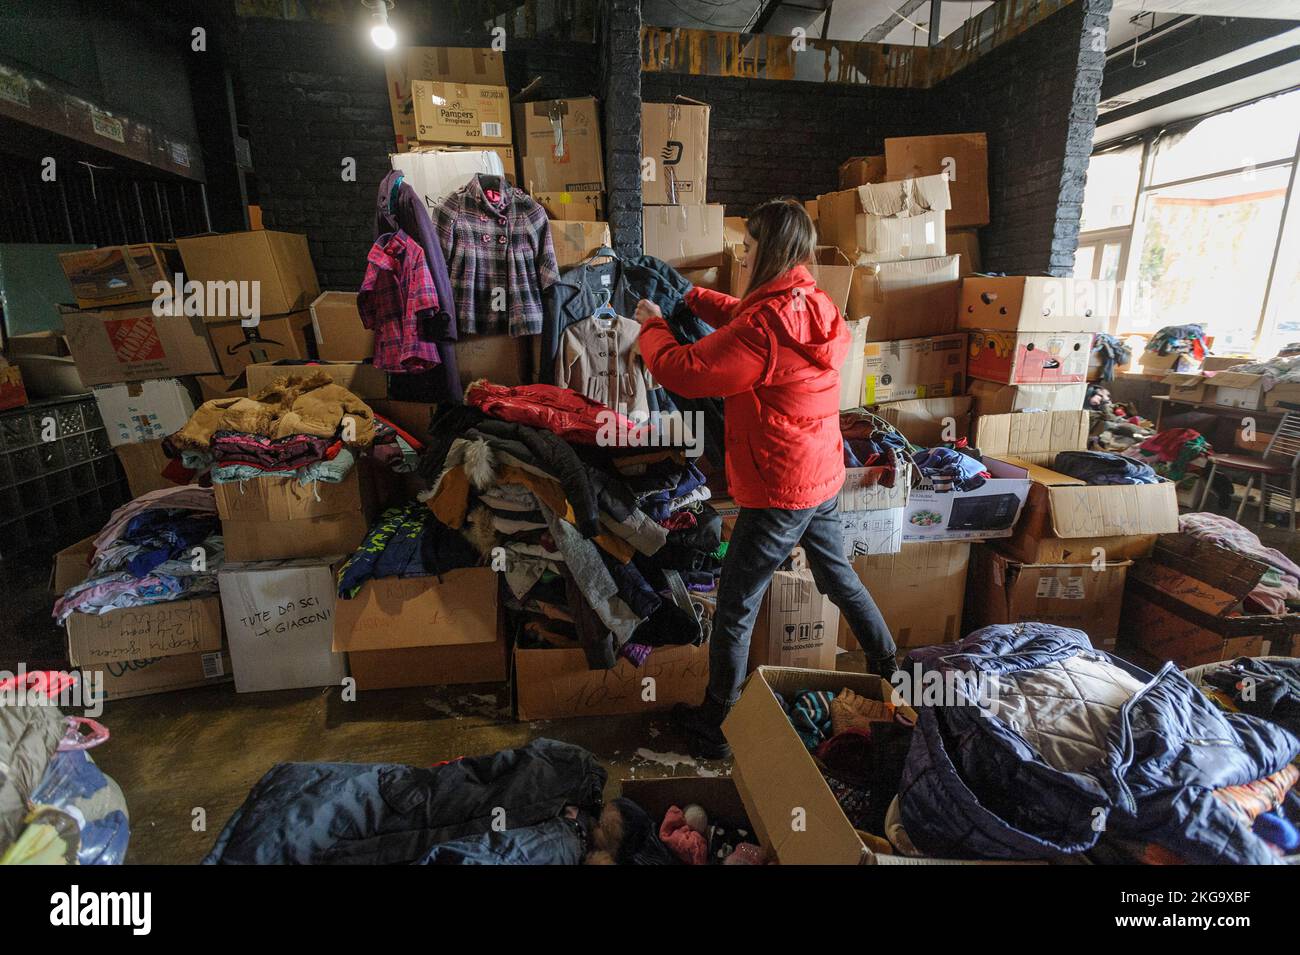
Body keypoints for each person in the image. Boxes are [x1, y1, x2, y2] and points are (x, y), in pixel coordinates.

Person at [636, 198, 898, 759]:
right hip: (820, 474)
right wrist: (694, 297)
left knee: (735, 606)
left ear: (770, 250)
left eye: (751, 246)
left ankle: (715, 724)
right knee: (837, 577)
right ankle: (887, 662)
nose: (745, 254)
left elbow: (687, 370)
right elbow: (754, 315)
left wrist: (653, 327)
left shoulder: (762, 330)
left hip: (779, 489)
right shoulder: (814, 302)